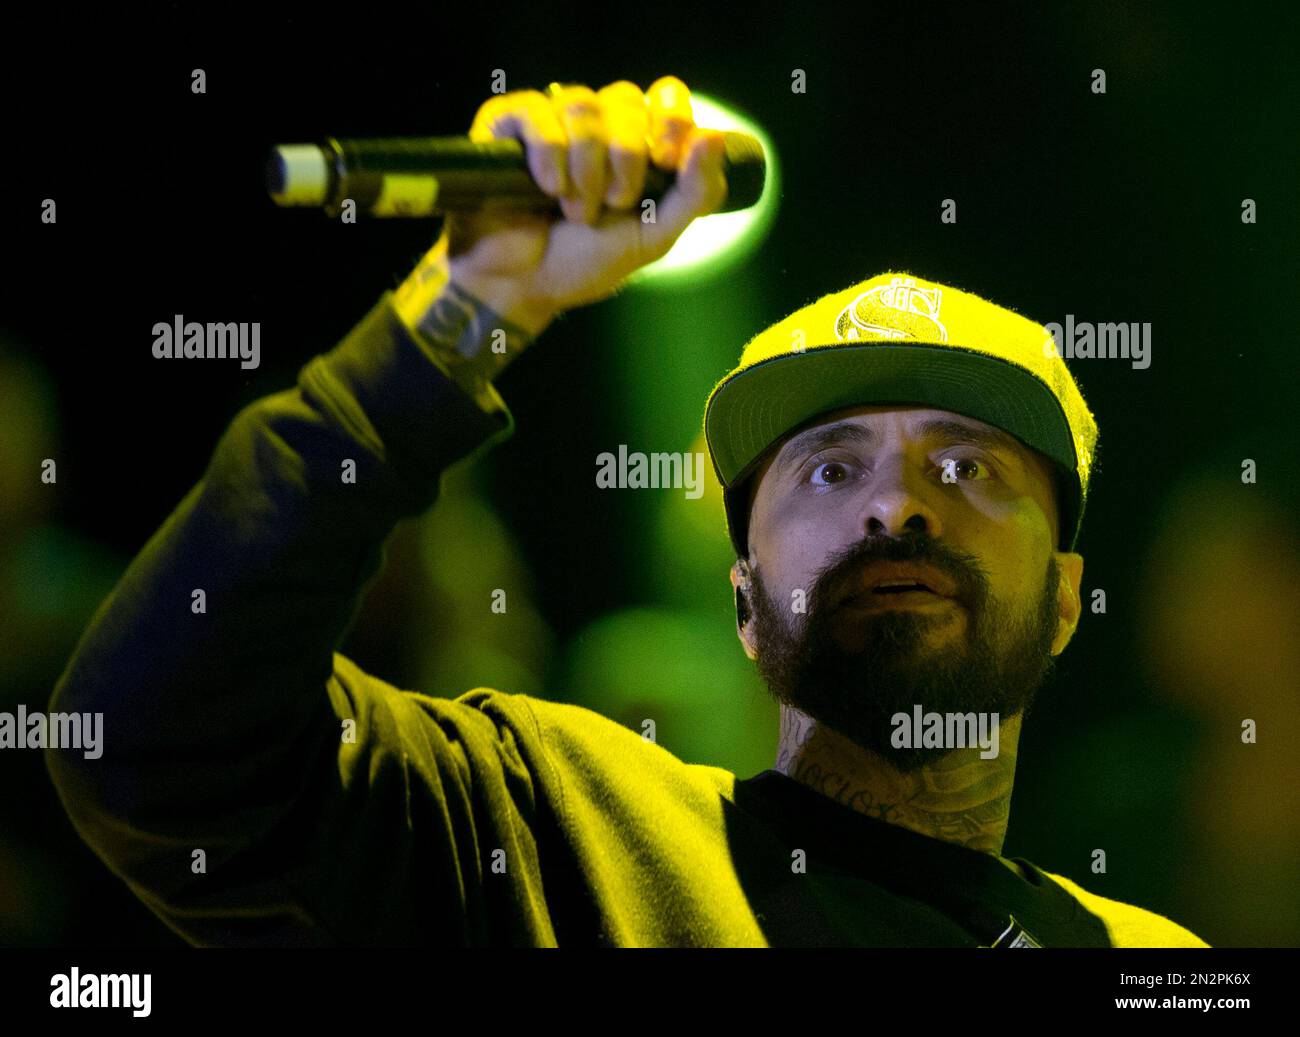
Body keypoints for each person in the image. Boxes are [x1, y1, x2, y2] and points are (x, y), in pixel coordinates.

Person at [46, 76, 1208, 947]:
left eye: (967, 469)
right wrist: (468, 305)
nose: (896, 504)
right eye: (827, 469)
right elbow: (153, 747)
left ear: (1064, 597)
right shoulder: (551, 833)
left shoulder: (1152, 960)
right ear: (744, 599)